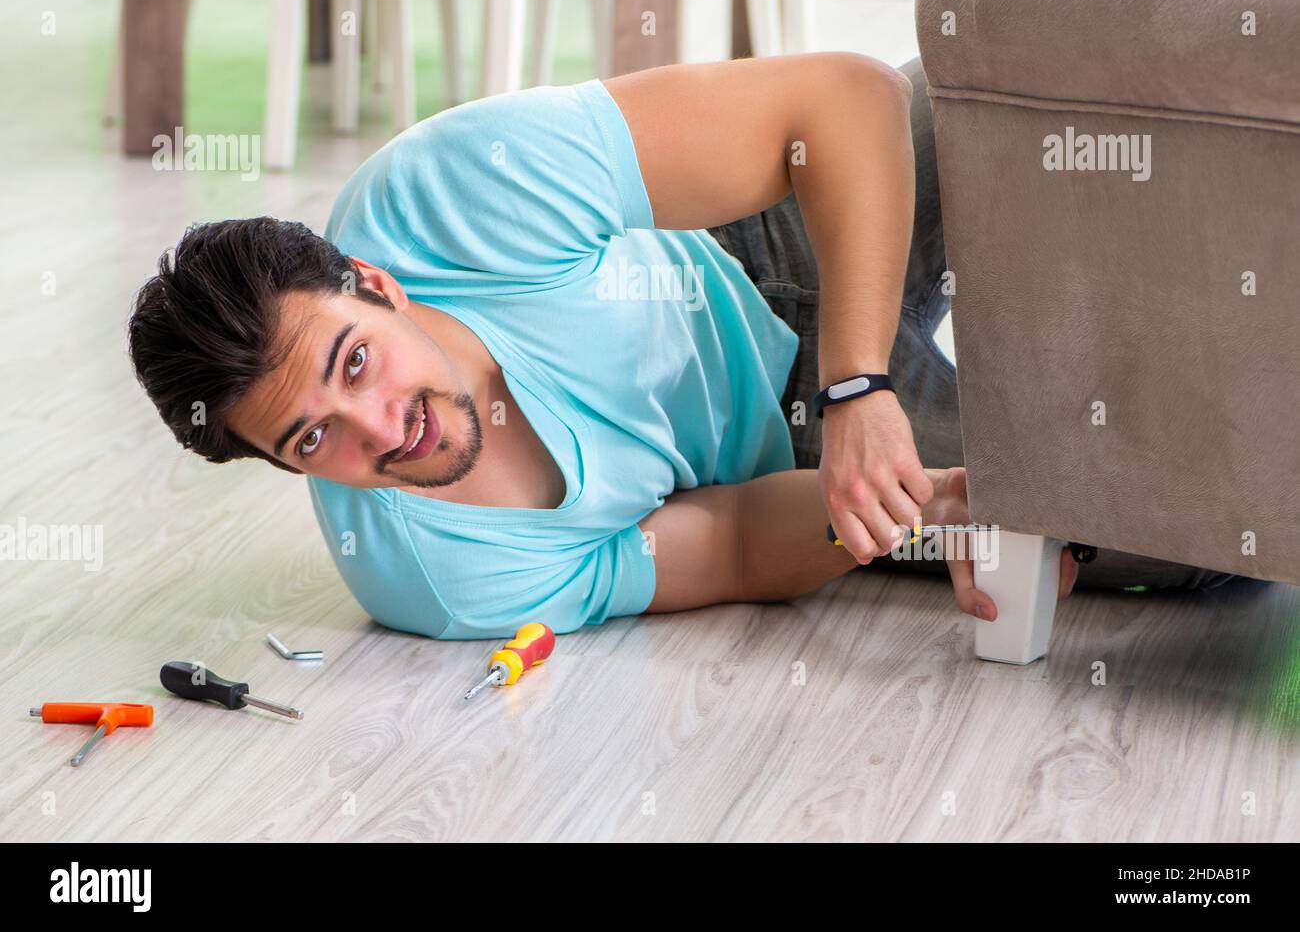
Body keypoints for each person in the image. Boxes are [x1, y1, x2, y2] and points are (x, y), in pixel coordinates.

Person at [127, 53, 1232, 640]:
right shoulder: (444, 580)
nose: (382, 429)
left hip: (758, 225)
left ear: (375, 283)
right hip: (790, 432)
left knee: (1036, 76)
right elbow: (741, 547)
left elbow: (837, 103)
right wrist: (920, 507)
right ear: (283, 468)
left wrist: (862, 380)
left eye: (354, 362)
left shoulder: (445, 194)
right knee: (1194, 531)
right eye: (314, 438)